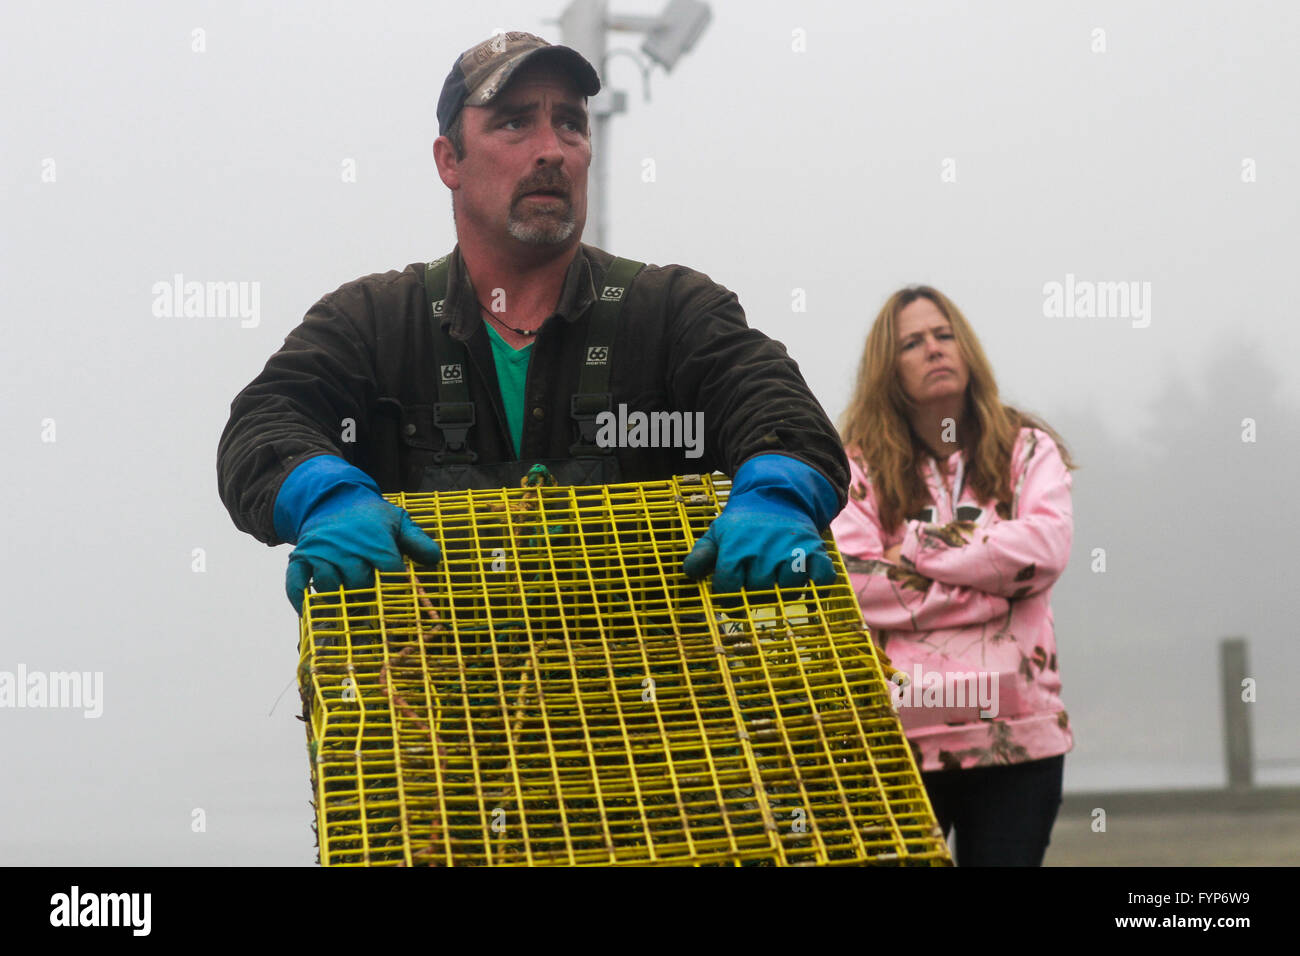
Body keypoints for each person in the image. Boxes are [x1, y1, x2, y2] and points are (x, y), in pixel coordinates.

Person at [216, 31, 849, 614]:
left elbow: (775, 408)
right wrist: (325, 497)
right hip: (430, 717)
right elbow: (267, 420)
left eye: (570, 125)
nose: (551, 150)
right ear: (449, 161)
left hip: (653, 719)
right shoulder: (372, 322)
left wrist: (776, 494)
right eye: (514, 123)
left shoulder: (670, 310)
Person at [830, 285, 1076, 866]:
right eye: (912, 342)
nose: (933, 349)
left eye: (944, 335)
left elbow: (1044, 550)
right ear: (887, 369)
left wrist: (916, 545)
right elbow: (856, 583)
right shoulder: (856, 466)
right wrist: (993, 587)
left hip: (1020, 738)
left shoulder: (1027, 449)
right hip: (899, 741)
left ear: (966, 348)